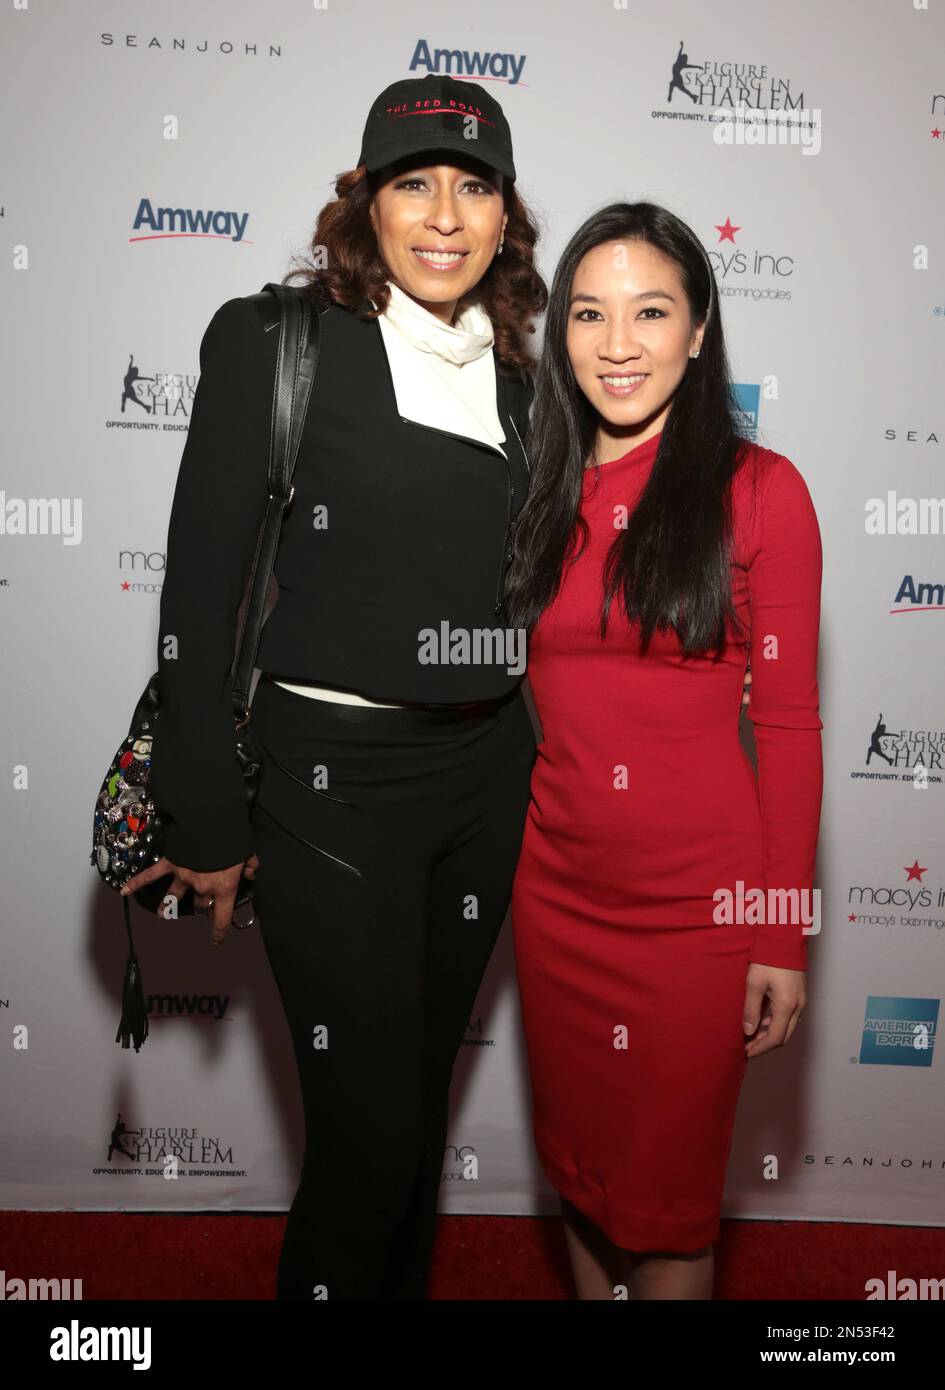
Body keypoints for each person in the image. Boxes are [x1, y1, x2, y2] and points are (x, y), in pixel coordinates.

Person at [121, 72, 546, 1300]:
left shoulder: (528, 384)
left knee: (411, 1130)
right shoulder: (275, 341)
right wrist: (203, 809)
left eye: (476, 186)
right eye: (413, 182)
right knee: (366, 1150)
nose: (447, 213)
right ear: (364, 205)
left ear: (509, 217)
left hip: (484, 781)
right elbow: (197, 593)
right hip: (329, 788)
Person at [505, 201, 823, 1300]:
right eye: (589, 314)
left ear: (698, 331)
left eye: (651, 312)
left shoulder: (761, 491)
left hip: (700, 915)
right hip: (558, 899)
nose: (619, 343)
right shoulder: (538, 492)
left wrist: (779, 929)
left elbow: (787, 727)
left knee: (673, 1207)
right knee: (584, 1181)